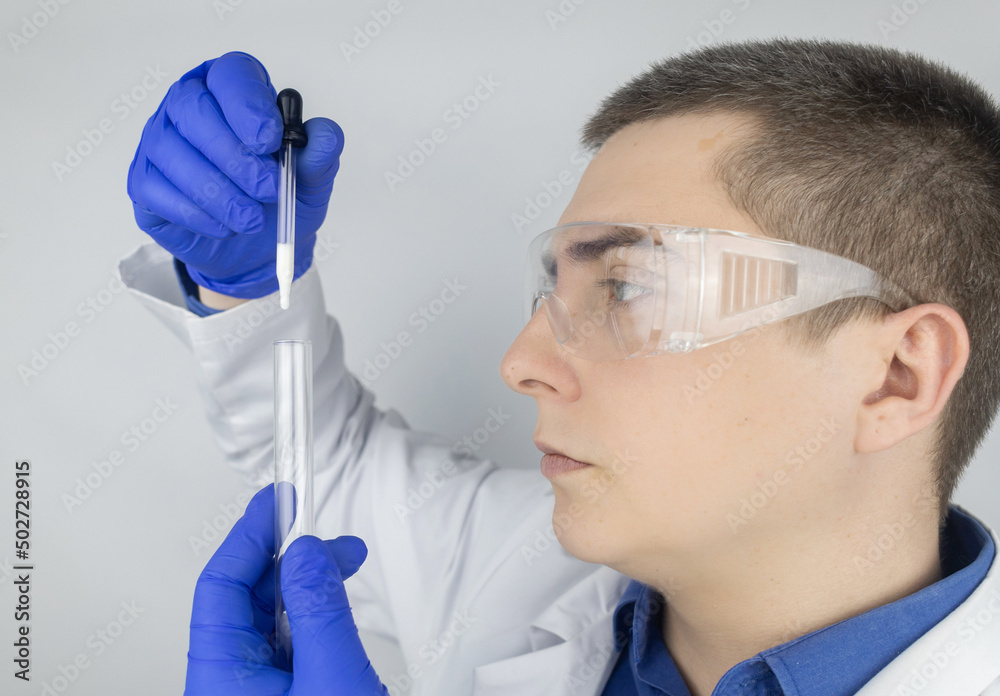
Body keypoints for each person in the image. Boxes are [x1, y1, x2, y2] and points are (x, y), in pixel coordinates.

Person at [121, 39, 1000, 696]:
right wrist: (249, 284)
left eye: (628, 286)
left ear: (897, 375)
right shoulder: (519, 568)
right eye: (556, 289)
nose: (520, 363)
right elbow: (331, 473)